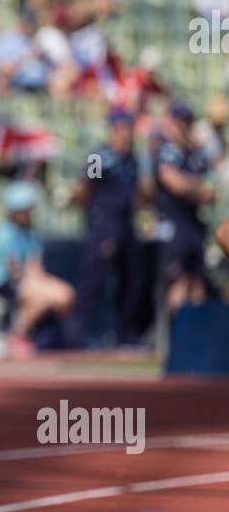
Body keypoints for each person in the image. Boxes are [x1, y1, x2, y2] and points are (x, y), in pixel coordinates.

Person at [0, 182, 75, 357]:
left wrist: (43, 284)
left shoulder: (31, 235)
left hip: (26, 280)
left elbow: (35, 267)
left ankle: (50, 337)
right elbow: (14, 270)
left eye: (29, 210)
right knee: (41, 299)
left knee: (66, 294)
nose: (28, 214)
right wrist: (40, 288)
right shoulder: (1, 233)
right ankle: (16, 337)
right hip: (3, 283)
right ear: (14, 211)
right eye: (25, 210)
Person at [72, 108, 140, 347]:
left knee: (129, 283)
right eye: (121, 129)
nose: (126, 135)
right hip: (105, 225)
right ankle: (82, 335)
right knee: (95, 281)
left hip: (126, 225)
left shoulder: (131, 159)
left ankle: (124, 335)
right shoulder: (99, 157)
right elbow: (83, 189)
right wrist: (96, 220)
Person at [152, 102, 214, 312]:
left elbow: (211, 188)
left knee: (197, 283)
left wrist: (192, 186)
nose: (183, 127)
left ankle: (195, 338)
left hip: (194, 224)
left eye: (186, 122)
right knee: (179, 282)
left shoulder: (195, 154)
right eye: (179, 122)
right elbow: (174, 183)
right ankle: (177, 338)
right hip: (174, 224)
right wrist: (197, 187)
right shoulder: (166, 152)